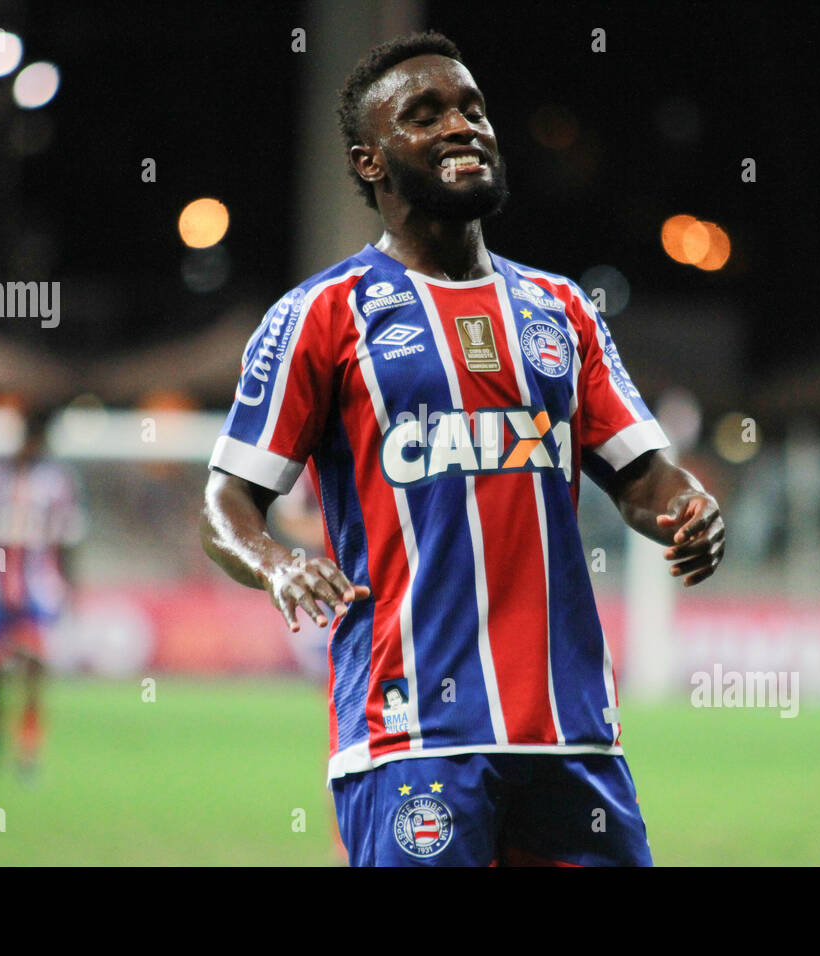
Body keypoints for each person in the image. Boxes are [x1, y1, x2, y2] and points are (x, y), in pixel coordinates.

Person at [201, 32, 724, 866]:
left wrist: (688, 509)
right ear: (370, 163)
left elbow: (641, 474)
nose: (462, 126)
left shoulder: (563, 310)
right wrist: (274, 562)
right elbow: (227, 502)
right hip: (412, 734)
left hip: (570, 732)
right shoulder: (323, 315)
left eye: (473, 108)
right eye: (426, 114)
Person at [0, 408, 85, 778]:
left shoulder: (57, 482)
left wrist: (71, 588)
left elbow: (69, 538)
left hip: (39, 591)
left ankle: (27, 751)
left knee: (34, 670)